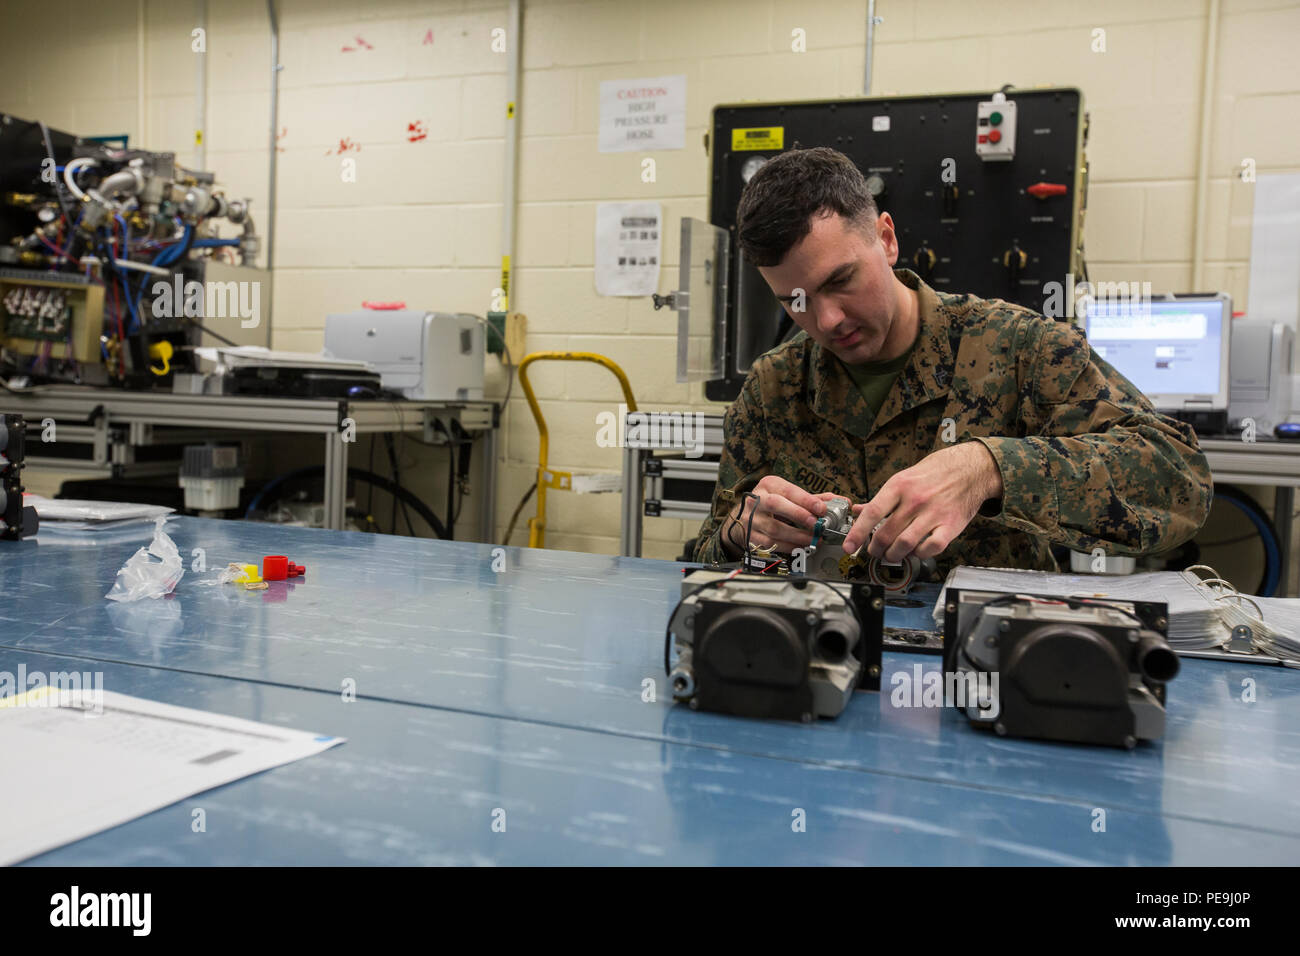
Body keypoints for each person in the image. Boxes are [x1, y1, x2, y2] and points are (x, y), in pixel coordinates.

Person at [691, 146, 1212, 579]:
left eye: (840, 280)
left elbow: (1180, 480)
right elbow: (703, 557)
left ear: (887, 239)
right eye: (795, 301)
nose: (827, 320)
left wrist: (989, 468)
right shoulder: (772, 387)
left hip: (983, 665)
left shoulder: (1018, 350)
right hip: (821, 659)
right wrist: (740, 534)